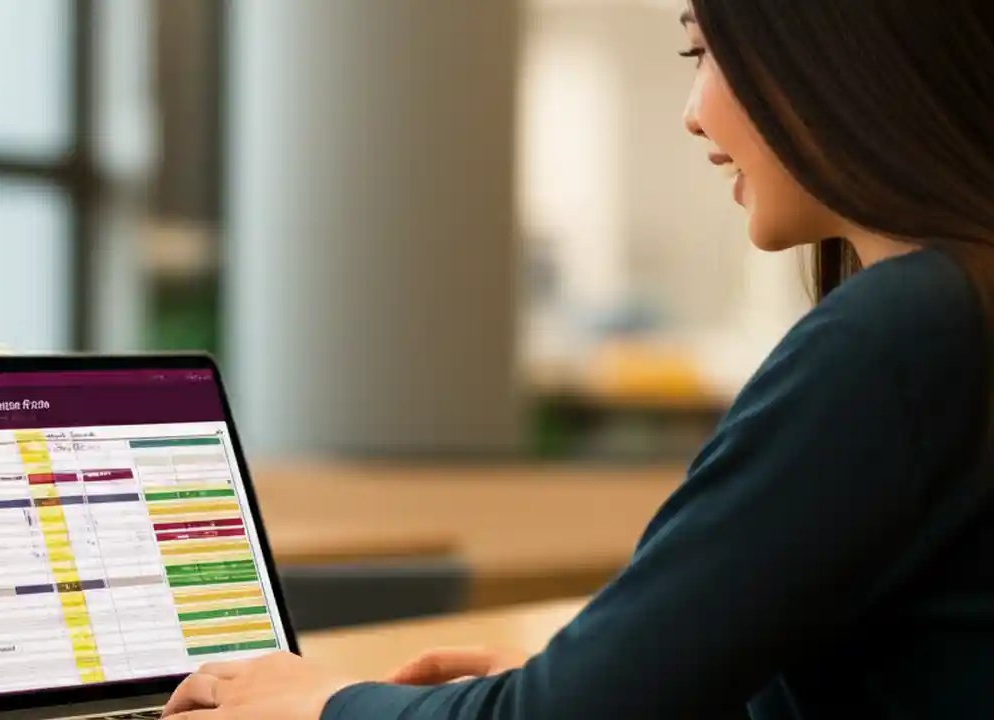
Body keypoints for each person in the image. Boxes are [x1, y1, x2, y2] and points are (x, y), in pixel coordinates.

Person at [163, 1, 994, 717]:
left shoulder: (901, 332)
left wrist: (324, 705)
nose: (694, 114)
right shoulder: (956, 307)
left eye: (701, 52)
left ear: (829, 52)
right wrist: (589, 688)